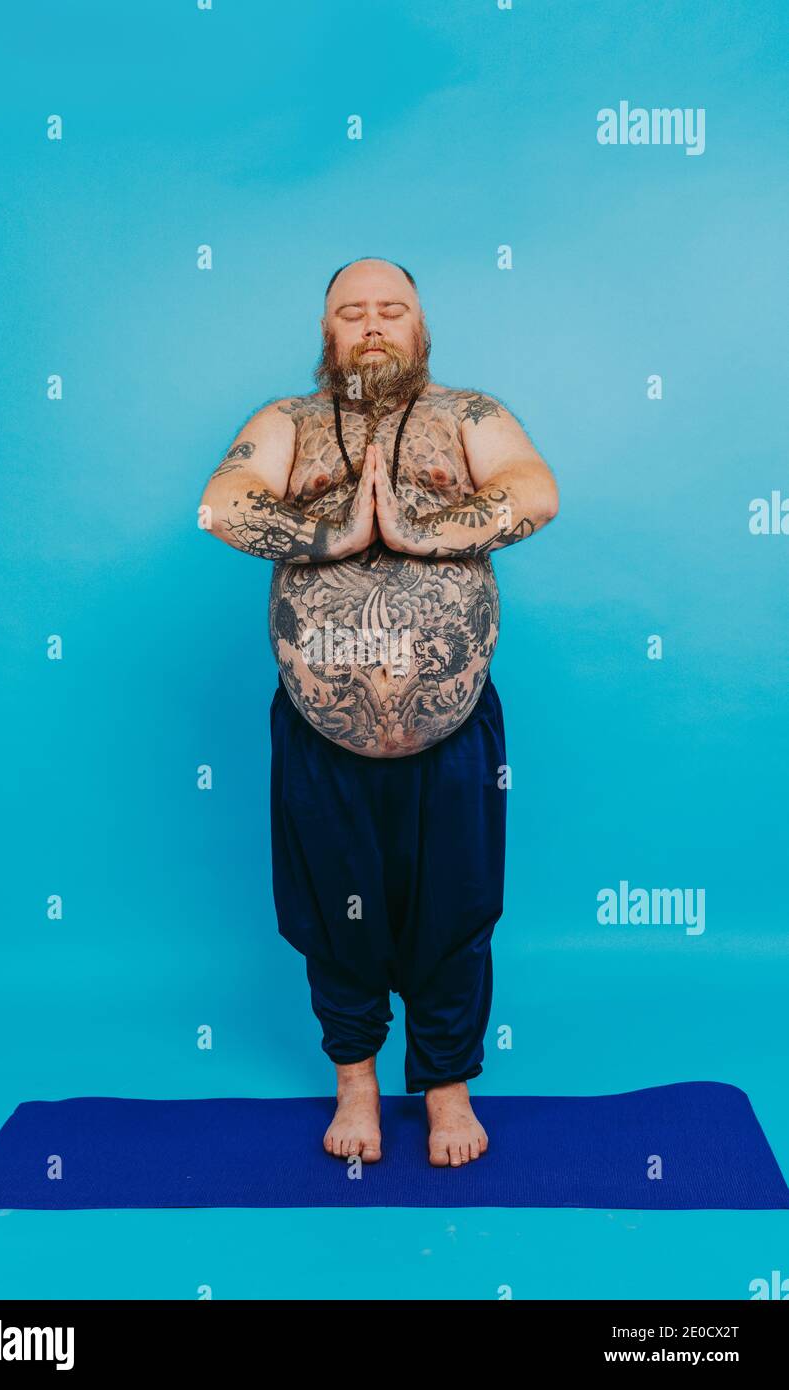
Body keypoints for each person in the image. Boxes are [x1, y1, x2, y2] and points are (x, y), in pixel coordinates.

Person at [200, 258, 559, 1166]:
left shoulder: (467, 415)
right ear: (326, 331)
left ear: (420, 326)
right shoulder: (288, 423)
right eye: (350, 311)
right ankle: (354, 1080)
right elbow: (222, 504)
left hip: (453, 729)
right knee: (330, 912)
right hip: (322, 733)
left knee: (458, 907)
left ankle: (447, 1090)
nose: (371, 324)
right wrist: (336, 533)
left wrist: (421, 530)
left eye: (390, 309)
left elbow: (533, 489)